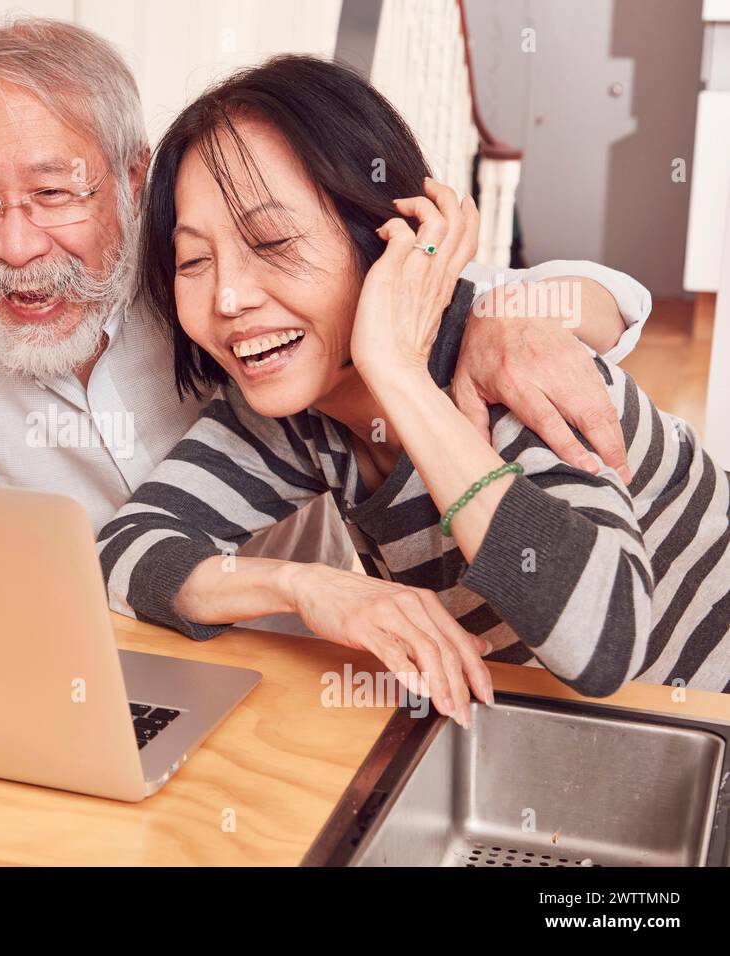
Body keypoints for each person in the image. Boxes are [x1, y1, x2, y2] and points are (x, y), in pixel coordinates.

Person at [0, 16, 651, 638]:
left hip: (314, 654)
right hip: (124, 638)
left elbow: (582, 294)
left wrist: (499, 324)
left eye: (55, 191)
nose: (17, 243)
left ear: (133, 175)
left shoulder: (222, 275)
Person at [98, 54, 730, 723]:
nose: (227, 297)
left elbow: (602, 638)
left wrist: (395, 371)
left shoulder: (516, 368)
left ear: (381, 235)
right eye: (193, 260)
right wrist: (307, 586)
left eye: (273, 241)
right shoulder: (292, 403)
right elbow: (125, 550)